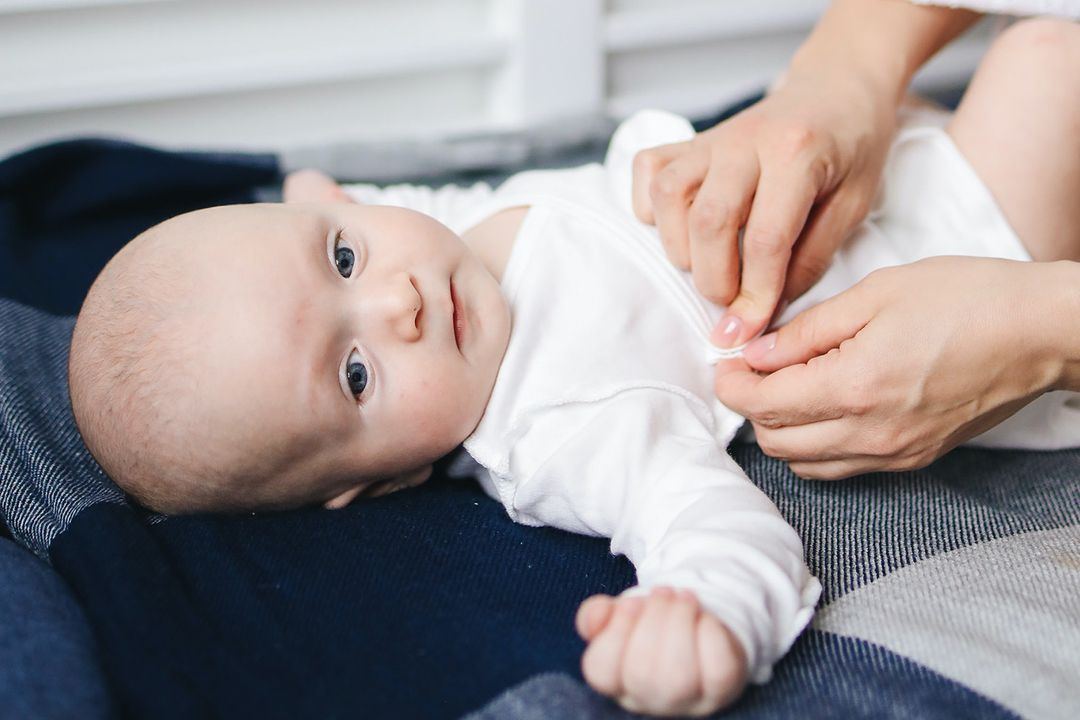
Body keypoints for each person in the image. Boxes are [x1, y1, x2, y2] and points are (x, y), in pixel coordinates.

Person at [67, 51, 1079, 717]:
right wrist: (705, 617)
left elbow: (364, 213)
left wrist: (321, 207)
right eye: (357, 374)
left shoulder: (433, 243)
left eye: (340, 258)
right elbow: (708, 526)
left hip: (871, 163)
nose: (395, 303)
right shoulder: (561, 426)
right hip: (968, 254)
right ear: (377, 483)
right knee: (1046, 59)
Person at [631, 1, 1080, 479]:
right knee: (1047, 54)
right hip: (883, 178)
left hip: (986, 266)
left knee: (1048, 57)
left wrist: (1040, 329)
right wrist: (841, 72)